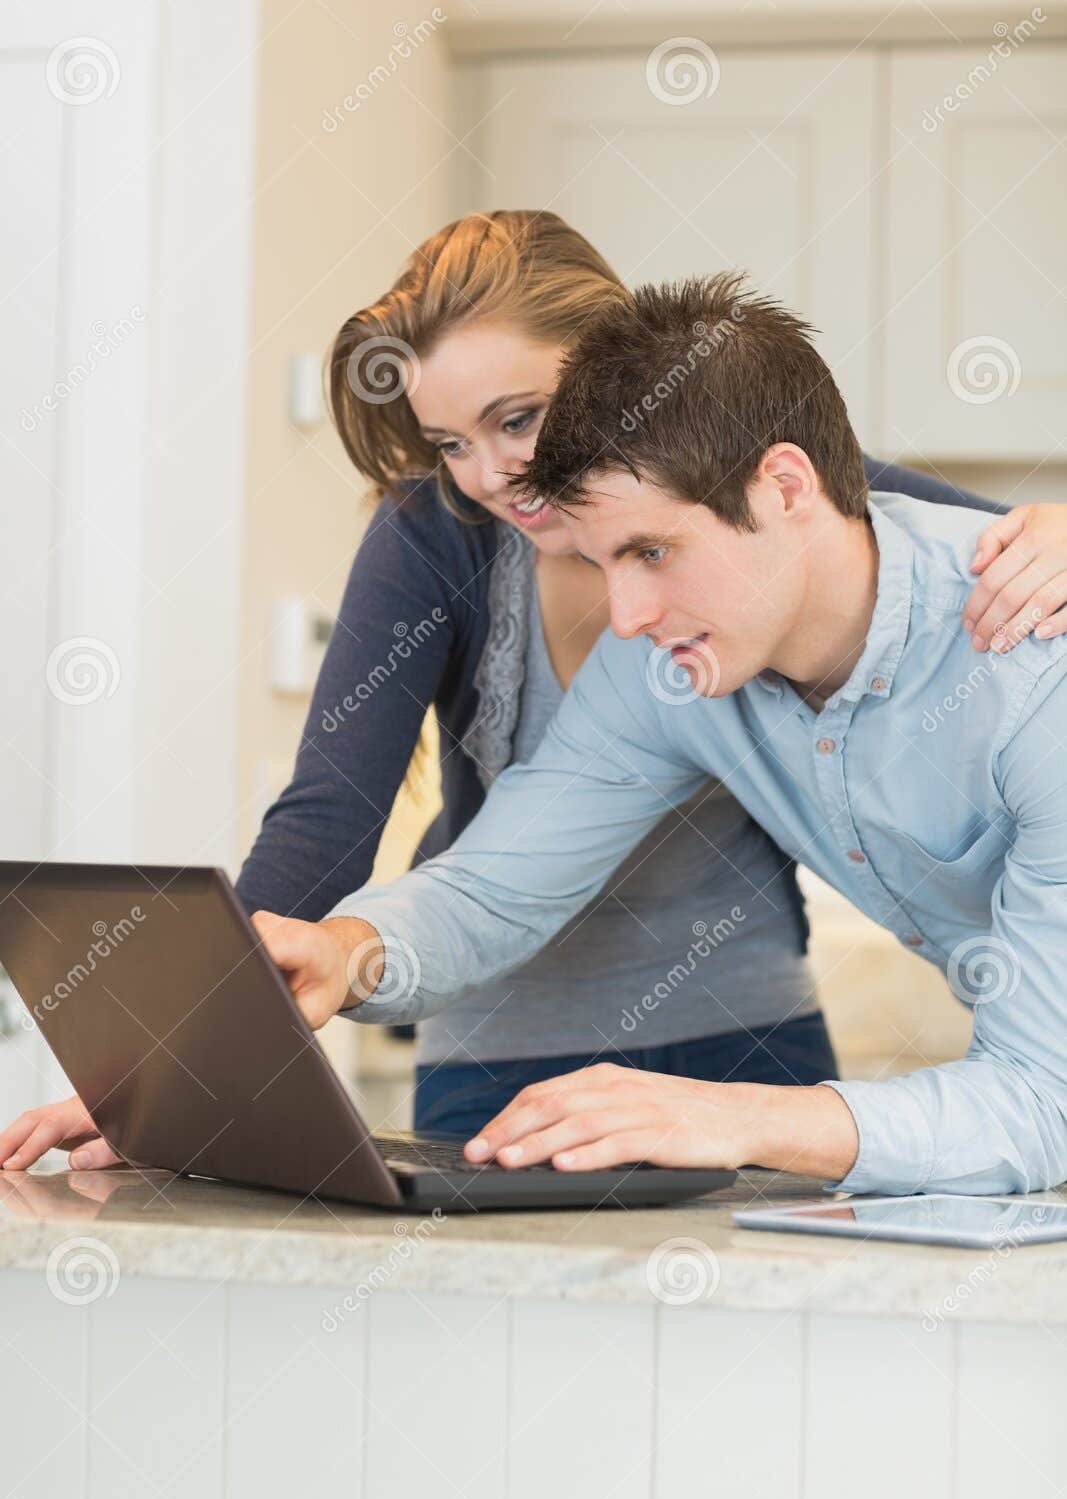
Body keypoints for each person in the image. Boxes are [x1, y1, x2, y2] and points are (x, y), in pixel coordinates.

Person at [2, 218, 1066, 1178]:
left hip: (772, 1021)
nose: (626, 614)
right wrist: (301, 976)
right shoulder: (646, 644)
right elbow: (457, 868)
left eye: (650, 550)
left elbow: (1039, 1103)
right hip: (517, 1039)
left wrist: (740, 1117)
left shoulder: (1000, 639)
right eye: (453, 443)